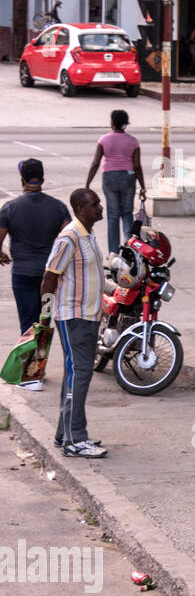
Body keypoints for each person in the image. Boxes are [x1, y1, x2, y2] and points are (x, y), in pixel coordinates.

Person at [41, 188, 113, 457]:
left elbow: (93, 275)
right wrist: (45, 317)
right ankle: (75, 440)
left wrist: (113, 289)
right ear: (79, 209)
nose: (100, 208)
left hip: (89, 317)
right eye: (95, 205)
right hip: (73, 317)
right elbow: (49, 277)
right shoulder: (69, 238)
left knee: (77, 375)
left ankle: (65, 434)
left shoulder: (88, 235)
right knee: (79, 375)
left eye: (99, 203)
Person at [1, 158, 70, 338]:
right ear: (43, 180)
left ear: (22, 180)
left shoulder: (10, 209)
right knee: (44, 323)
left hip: (22, 277)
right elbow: (72, 240)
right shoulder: (59, 208)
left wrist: (1, 255)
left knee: (27, 325)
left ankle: (29, 364)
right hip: (50, 278)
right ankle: (39, 363)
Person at [85, 109, 146, 255]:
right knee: (127, 213)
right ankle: (130, 251)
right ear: (126, 124)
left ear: (112, 122)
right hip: (128, 178)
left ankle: (113, 254)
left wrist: (87, 184)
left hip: (109, 178)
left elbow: (95, 163)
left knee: (113, 215)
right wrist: (143, 186)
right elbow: (137, 166)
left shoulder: (104, 140)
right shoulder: (133, 141)